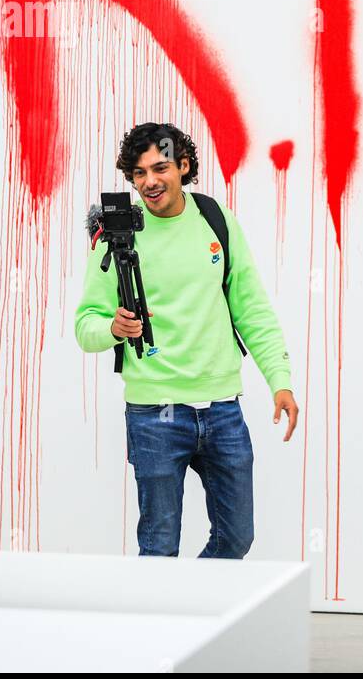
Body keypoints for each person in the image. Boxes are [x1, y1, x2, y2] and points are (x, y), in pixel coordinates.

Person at [75, 121, 298, 558]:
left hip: (222, 411)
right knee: (158, 549)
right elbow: (86, 324)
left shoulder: (215, 219)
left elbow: (251, 308)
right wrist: (113, 329)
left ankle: (193, 614)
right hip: (154, 416)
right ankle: (165, 625)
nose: (150, 181)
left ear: (183, 166)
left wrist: (280, 379)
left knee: (237, 538)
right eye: (139, 174)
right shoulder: (117, 236)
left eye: (160, 168)